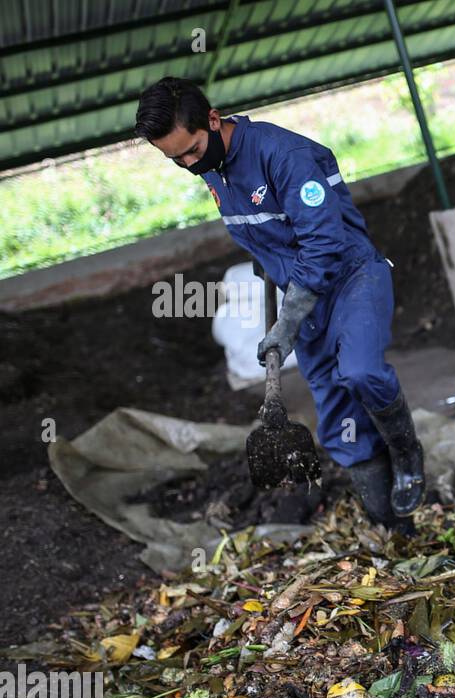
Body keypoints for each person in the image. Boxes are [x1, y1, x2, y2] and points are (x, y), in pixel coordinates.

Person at [134, 76, 424, 532]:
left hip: (350, 278)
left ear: (213, 120)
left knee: (361, 370)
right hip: (303, 297)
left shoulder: (283, 155)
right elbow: (262, 231)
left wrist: (287, 322)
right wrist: (266, 264)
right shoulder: (215, 170)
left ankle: (407, 452)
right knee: (335, 415)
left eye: (191, 151)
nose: (190, 165)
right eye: (176, 160)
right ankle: (396, 529)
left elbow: (324, 243)